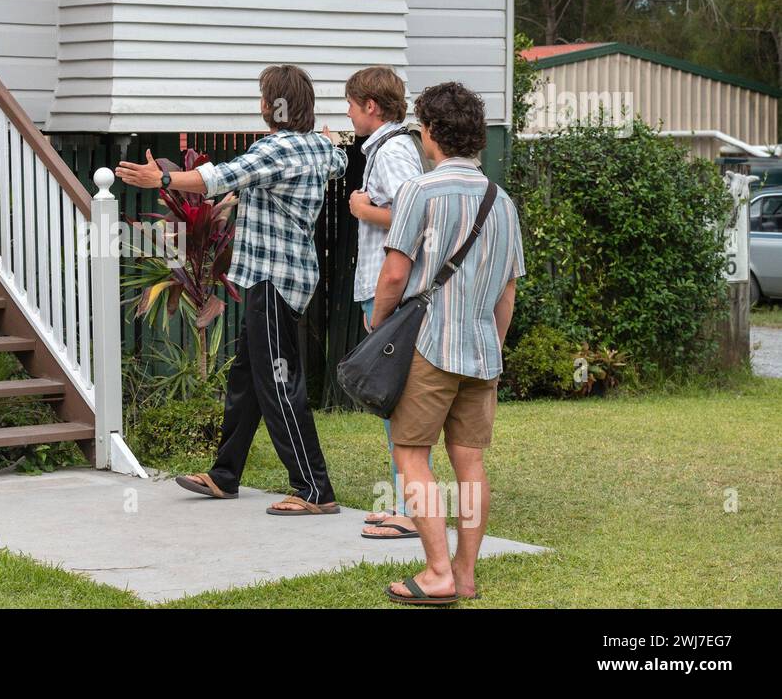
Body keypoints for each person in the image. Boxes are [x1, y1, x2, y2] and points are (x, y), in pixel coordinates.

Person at [114, 65, 346, 515]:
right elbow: (337, 161)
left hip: (273, 280)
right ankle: (226, 474)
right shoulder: (318, 147)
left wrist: (160, 179)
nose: (260, 104)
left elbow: (215, 178)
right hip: (284, 277)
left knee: (279, 384)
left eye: (263, 97)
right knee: (246, 379)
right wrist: (332, 140)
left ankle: (315, 489)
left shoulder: (276, 149)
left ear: (271, 105)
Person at [369, 81, 524, 605]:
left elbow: (394, 275)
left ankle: (437, 574)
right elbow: (508, 291)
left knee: (412, 455)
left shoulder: (419, 191)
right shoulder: (502, 202)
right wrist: (495, 348)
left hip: (428, 347)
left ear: (430, 132)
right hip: (482, 352)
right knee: (470, 464)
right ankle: (465, 573)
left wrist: (377, 324)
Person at [328, 66, 429, 540]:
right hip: (381, 288)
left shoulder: (392, 152)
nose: (347, 112)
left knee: (397, 401)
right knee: (392, 402)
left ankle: (410, 512)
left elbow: (414, 215)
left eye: (351, 104)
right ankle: (400, 503)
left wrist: (361, 208)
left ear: (371, 106)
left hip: (389, 289)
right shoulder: (384, 149)